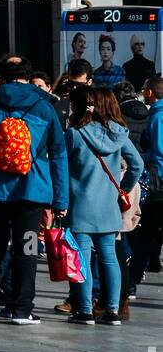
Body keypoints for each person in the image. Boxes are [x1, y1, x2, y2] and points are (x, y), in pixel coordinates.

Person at [0, 55, 68, 325]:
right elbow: (58, 155)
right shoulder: (45, 107)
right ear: (29, 77)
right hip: (31, 193)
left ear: (0, 78)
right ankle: (21, 308)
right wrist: (59, 199)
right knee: (27, 249)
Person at [64, 86, 143, 326]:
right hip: (108, 204)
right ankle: (112, 311)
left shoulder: (75, 134)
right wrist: (123, 188)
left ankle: (85, 310)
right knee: (109, 257)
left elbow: (62, 168)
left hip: (80, 203)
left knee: (83, 258)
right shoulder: (119, 133)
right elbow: (137, 164)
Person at [131, 75, 163, 288]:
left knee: (146, 231)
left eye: (144, 89)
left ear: (150, 92)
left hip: (159, 181)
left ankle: (131, 281)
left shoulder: (158, 116)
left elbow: (160, 149)